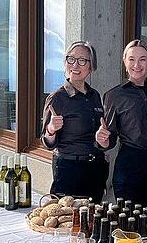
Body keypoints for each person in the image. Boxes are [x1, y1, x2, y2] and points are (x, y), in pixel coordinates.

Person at [95, 40, 147, 209]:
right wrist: (102, 140)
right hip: (129, 168)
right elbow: (109, 139)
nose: (137, 65)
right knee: (128, 223)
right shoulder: (114, 95)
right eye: (131, 59)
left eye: (142, 59)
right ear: (124, 62)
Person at [41, 41, 109, 202]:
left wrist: (102, 139)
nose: (75, 65)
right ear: (65, 63)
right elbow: (47, 142)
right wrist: (51, 129)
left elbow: (100, 136)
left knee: (92, 220)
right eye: (71, 59)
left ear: (91, 66)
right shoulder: (57, 97)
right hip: (69, 169)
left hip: (95, 169)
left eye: (82, 60)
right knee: (68, 221)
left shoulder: (94, 96)